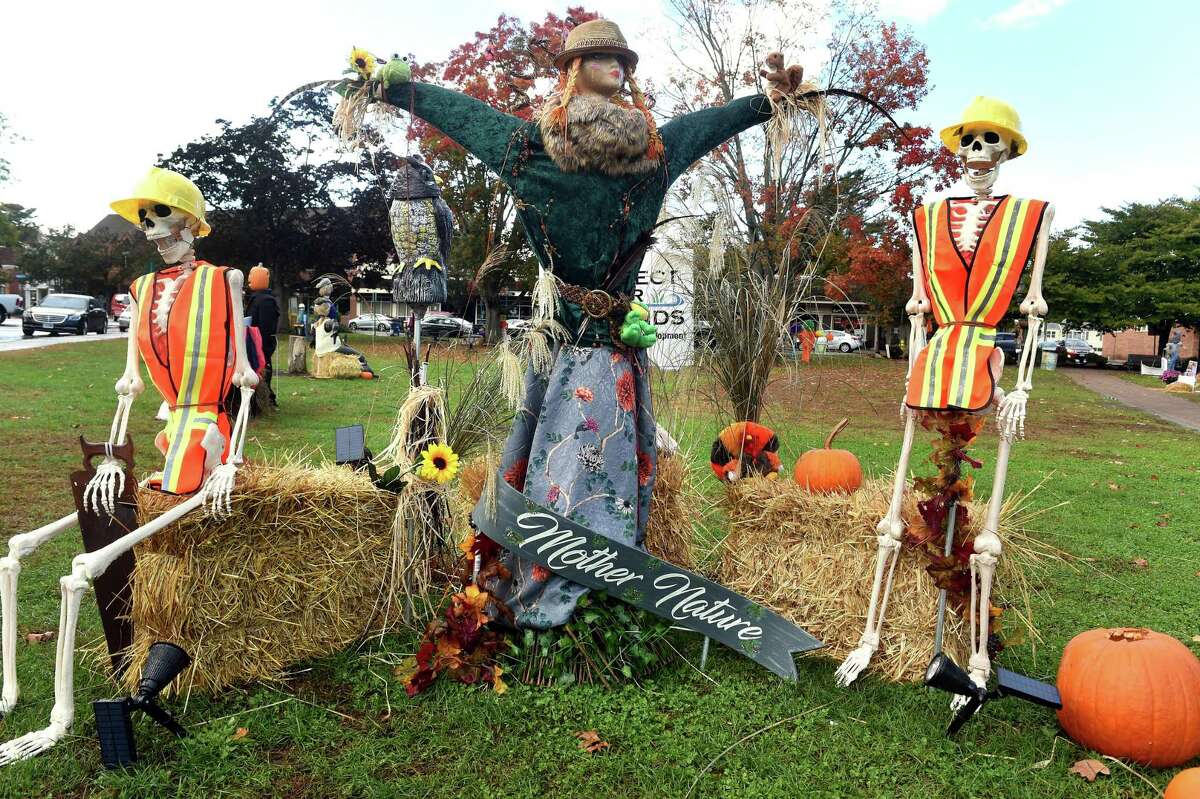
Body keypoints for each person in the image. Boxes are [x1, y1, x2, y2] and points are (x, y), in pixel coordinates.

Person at [380, 19, 820, 629]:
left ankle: (596, 589)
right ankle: (567, 585)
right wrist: (399, 89)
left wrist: (766, 103)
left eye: (622, 58)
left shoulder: (652, 154)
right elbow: (463, 113)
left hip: (609, 349)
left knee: (587, 461)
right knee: (562, 461)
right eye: (602, 56)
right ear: (573, 68)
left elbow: (710, 124)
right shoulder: (529, 149)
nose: (617, 65)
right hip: (567, 348)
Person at [246, 264, 280, 408]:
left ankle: (267, 397)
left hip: (262, 341)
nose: (248, 281)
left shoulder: (266, 301)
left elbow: (266, 326)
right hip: (255, 339)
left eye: (251, 277)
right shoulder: (256, 298)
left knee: (264, 366)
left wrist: (261, 343)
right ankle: (259, 398)